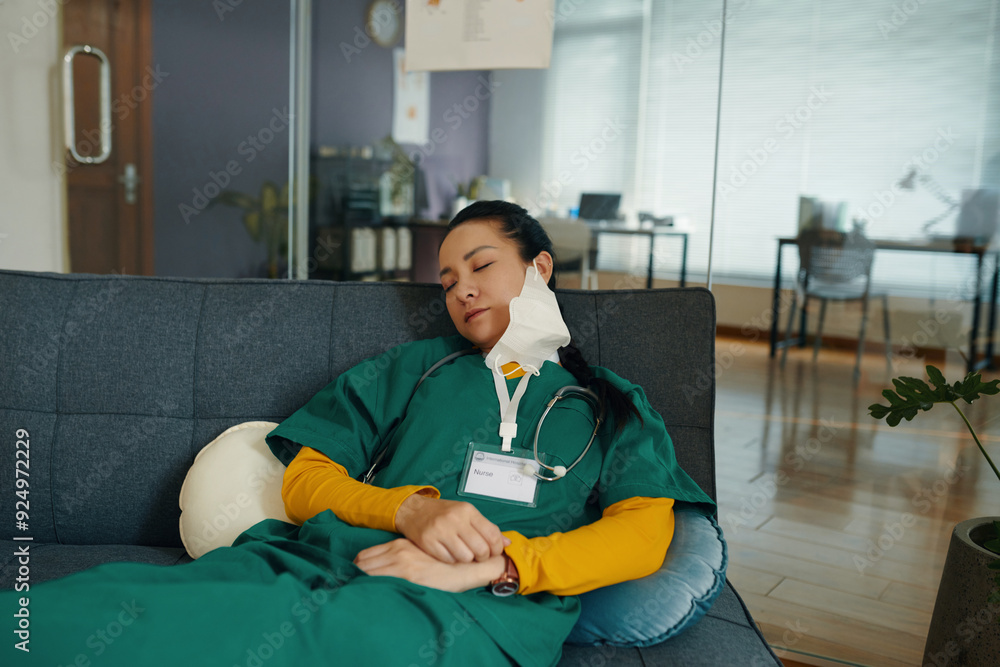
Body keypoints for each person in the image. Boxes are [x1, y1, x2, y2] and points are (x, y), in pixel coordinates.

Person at [1, 201, 713, 667]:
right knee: (96, 609)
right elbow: (304, 480)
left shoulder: (611, 404)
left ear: (538, 268)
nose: (461, 288)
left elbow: (643, 535)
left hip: (475, 611)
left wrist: (496, 565)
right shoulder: (412, 371)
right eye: (446, 278)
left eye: (482, 266)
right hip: (319, 560)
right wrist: (409, 508)